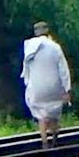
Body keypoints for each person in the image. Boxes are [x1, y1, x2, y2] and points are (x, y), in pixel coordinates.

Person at [21, 21, 72, 149]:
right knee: (54, 113)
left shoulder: (29, 47)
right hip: (54, 86)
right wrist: (66, 89)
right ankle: (54, 140)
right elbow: (63, 70)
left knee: (41, 115)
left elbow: (25, 69)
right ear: (47, 31)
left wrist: (28, 83)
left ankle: (44, 141)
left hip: (37, 86)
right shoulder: (55, 47)